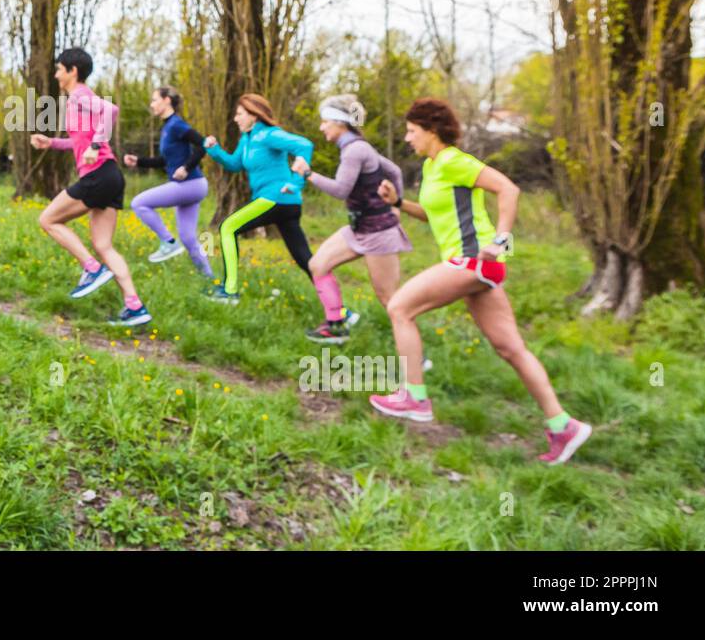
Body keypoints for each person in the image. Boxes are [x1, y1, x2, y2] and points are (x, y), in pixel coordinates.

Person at [369, 97, 593, 466]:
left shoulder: (454, 160)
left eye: (412, 131)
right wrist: (398, 204)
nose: (407, 138)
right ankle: (563, 425)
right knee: (511, 349)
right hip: (475, 267)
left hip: (474, 261)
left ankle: (414, 397)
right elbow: (434, 214)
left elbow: (508, 189)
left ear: (432, 130)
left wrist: (501, 239)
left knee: (399, 307)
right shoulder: (432, 166)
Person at [30, 48, 150, 327]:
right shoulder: (79, 99)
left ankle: (91, 268)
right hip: (111, 176)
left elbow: (112, 110)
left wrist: (95, 146)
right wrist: (52, 142)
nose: (56, 75)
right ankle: (134, 305)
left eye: (59, 69)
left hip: (98, 175)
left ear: (72, 71)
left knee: (48, 219)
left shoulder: (79, 95)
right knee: (103, 245)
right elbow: (79, 142)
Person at [291, 95, 412, 344]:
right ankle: (336, 326)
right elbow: (394, 171)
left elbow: (340, 190)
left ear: (339, 122)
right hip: (358, 229)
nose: (322, 127)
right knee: (318, 265)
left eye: (325, 121)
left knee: (390, 300)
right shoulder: (357, 147)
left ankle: (417, 356)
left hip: (378, 233)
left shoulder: (355, 150)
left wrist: (307, 173)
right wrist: (396, 203)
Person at [202, 94, 314, 304]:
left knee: (228, 227)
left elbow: (304, 145)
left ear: (254, 115)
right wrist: (214, 150)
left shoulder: (269, 135)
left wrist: (297, 182)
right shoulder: (247, 139)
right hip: (284, 204)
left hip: (276, 198)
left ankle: (230, 292)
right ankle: (339, 311)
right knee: (303, 257)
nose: (235, 118)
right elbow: (235, 164)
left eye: (240, 114)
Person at [123, 86, 212, 277]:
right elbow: (165, 161)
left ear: (167, 100)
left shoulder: (176, 125)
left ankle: (168, 242)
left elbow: (203, 144)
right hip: (193, 186)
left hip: (189, 184)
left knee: (139, 203)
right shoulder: (167, 128)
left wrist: (186, 167)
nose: (151, 104)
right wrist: (139, 161)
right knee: (188, 238)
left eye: (155, 100)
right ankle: (211, 282)